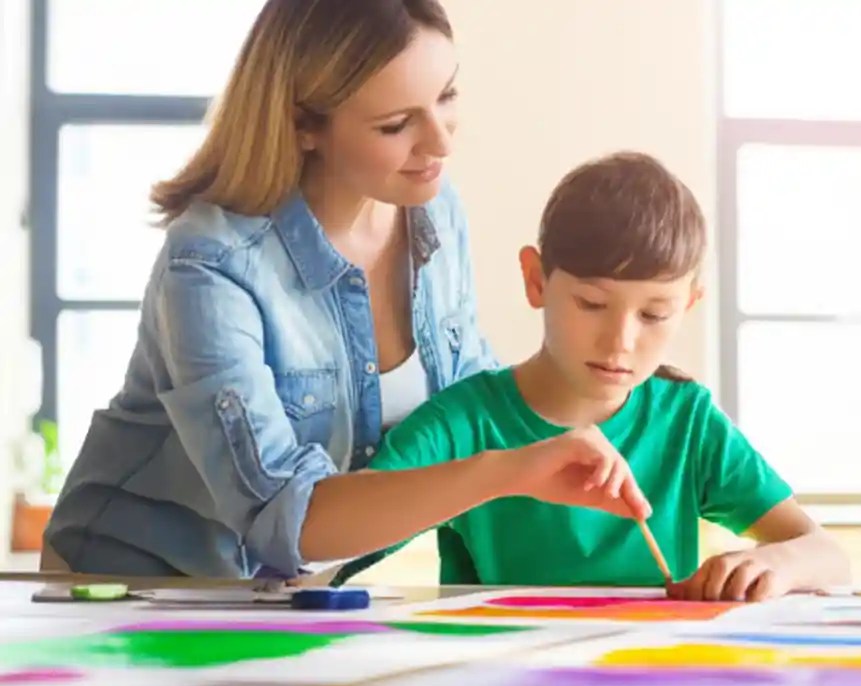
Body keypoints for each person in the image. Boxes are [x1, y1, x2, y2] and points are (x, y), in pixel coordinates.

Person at [43, 0, 651, 579]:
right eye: (396, 124)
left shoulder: (435, 215)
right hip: (134, 583)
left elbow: (470, 398)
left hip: (285, 592)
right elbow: (283, 516)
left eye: (447, 96)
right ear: (306, 126)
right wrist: (504, 471)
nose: (441, 142)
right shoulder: (211, 263)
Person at [333, 152, 851, 601]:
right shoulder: (466, 420)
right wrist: (500, 472)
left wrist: (777, 566)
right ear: (536, 281)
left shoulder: (686, 420)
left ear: (689, 304)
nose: (620, 341)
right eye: (592, 303)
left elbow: (828, 557)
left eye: (654, 315)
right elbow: (331, 543)